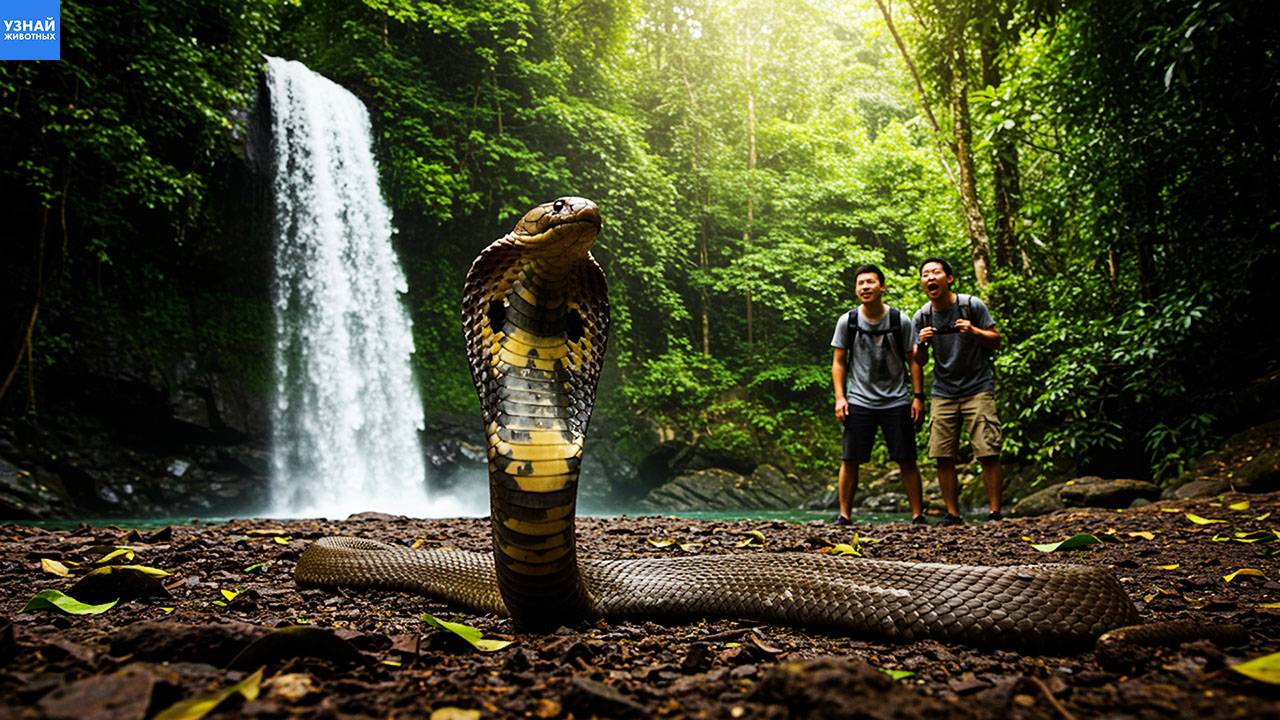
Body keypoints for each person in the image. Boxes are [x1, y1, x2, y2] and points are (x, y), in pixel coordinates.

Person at [830, 264, 927, 526]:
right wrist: (840, 398)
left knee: (906, 457)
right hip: (859, 399)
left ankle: (918, 515)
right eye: (860, 283)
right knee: (850, 458)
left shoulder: (899, 320)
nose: (865, 287)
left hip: (896, 399)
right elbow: (839, 361)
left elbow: (913, 360)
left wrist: (918, 397)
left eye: (871, 282)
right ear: (855, 289)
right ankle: (844, 515)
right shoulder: (847, 321)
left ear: (882, 287)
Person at [911, 257, 1004, 525]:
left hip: (978, 387)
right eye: (925, 274)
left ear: (948, 278)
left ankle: (995, 512)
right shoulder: (923, 316)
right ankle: (953, 514)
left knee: (988, 450)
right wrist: (921, 343)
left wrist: (973, 330)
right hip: (943, 390)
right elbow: (918, 360)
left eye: (936, 272)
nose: (930, 277)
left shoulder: (970, 305)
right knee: (942, 454)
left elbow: (996, 340)